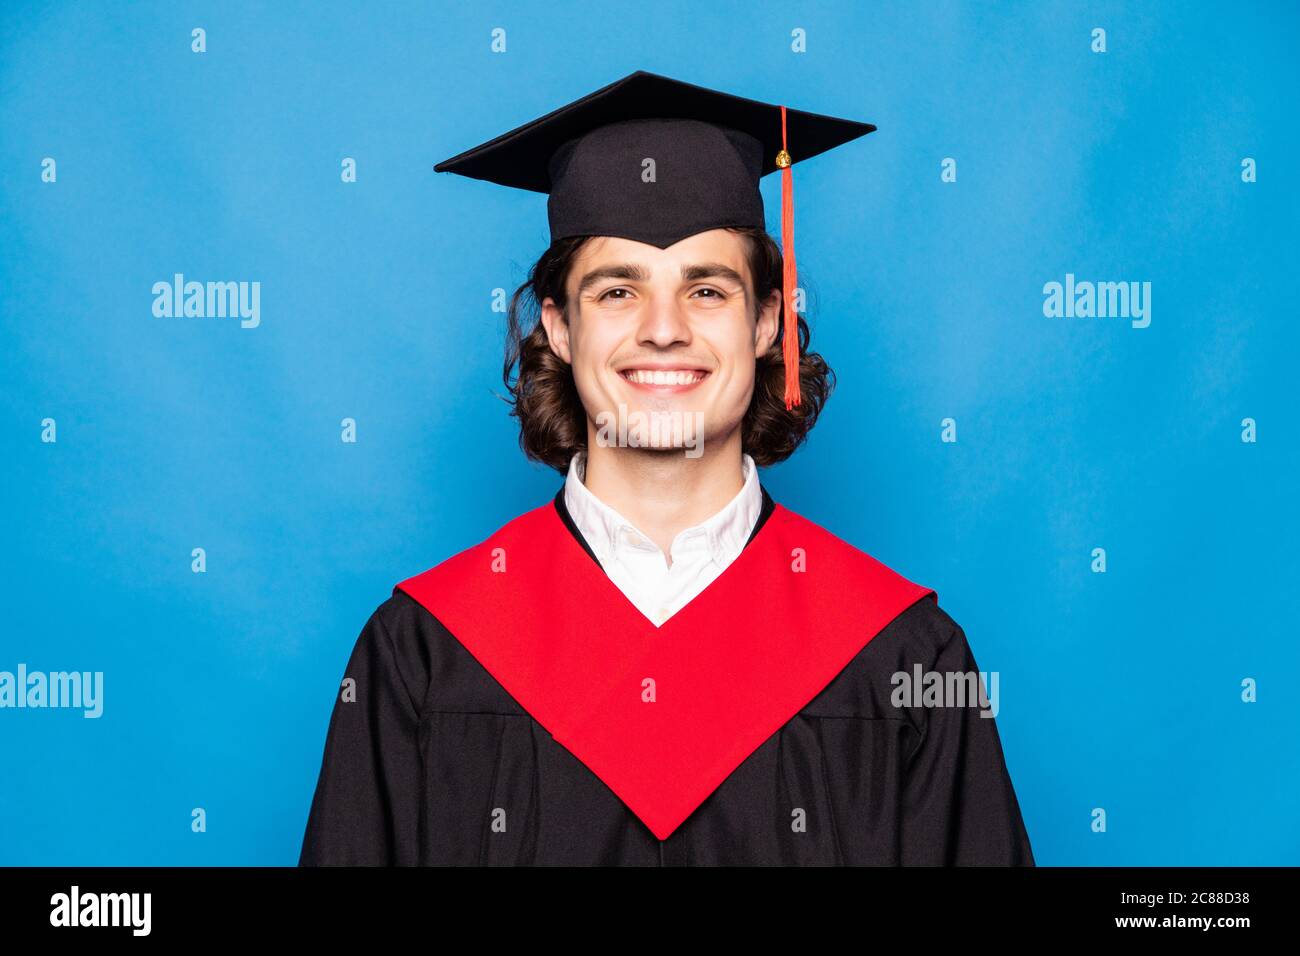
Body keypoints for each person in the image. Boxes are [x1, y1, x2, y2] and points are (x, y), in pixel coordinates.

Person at [298, 70, 1035, 866]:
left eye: (707, 291)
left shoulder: (904, 659)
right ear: (560, 329)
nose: (663, 330)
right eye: (617, 291)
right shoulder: (422, 657)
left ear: (764, 323)